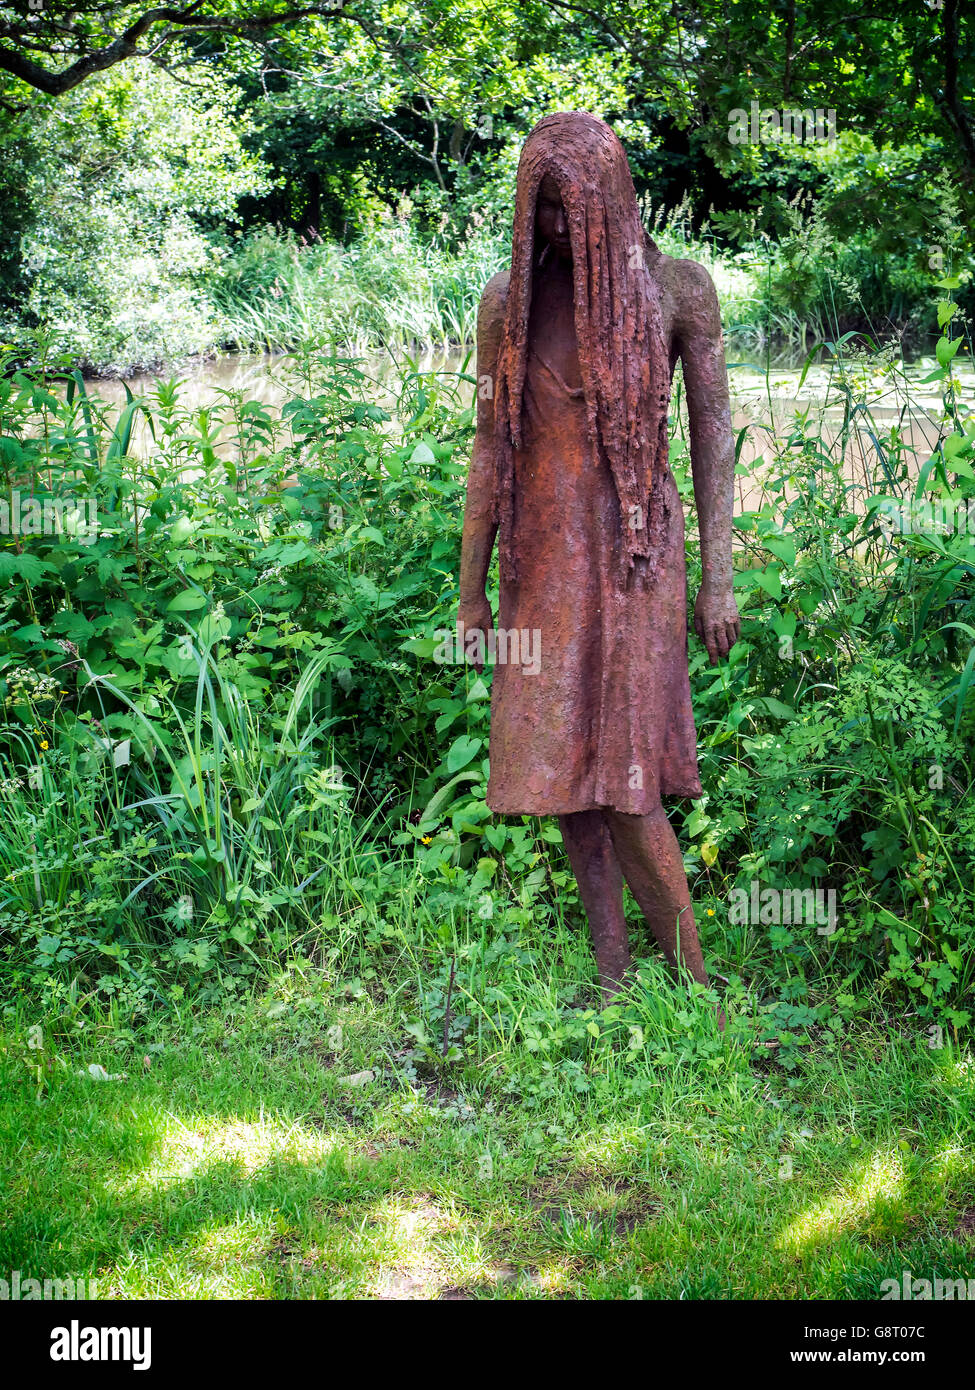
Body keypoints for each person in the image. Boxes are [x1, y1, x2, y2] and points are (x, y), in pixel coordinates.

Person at [458, 111, 740, 1012]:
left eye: (567, 210)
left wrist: (718, 576)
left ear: (610, 202)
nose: (552, 230)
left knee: (624, 781)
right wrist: (469, 597)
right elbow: (488, 449)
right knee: (566, 779)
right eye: (537, 211)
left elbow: (712, 442)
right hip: (541, 564)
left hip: (632, 567)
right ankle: (613, 975)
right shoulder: (509, 302)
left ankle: (694, 985)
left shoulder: (676, 293)